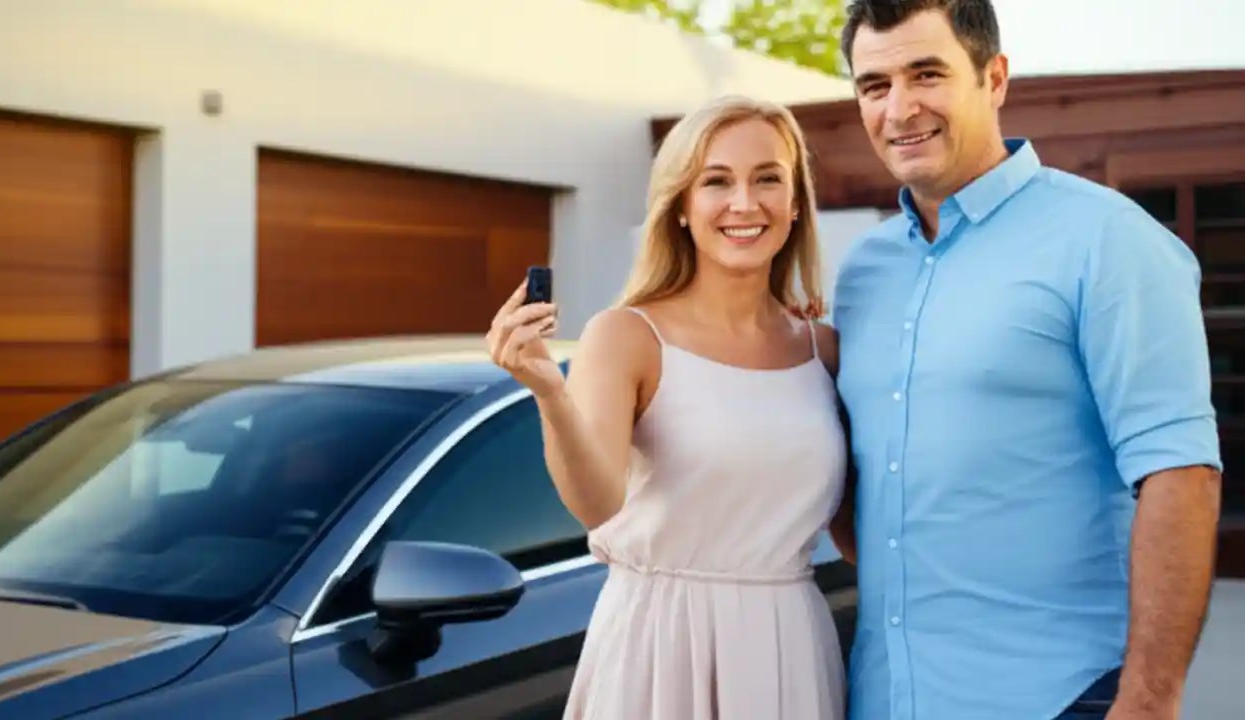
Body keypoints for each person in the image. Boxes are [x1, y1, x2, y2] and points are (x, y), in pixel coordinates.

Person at [830, 1, 1224, 719]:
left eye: (927, 74)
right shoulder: (862, 274)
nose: (900, 107)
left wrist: (1147, 701)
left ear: (995, 78)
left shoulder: (1107, 241)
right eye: (874, 85)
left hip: (1061, 698)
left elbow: (1181, 475)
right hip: (886, 698)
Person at [487, 95, 850, 719]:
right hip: (659, 646)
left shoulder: (826, 350)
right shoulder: (626, 336)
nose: (744, 202)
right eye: (716, 181)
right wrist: (550, 392)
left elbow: (860, 530)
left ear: (795, 203)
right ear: (682, 206)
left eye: (768, 178)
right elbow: (596, 503)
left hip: (788, 646)